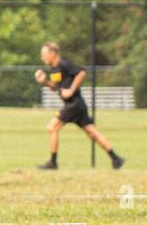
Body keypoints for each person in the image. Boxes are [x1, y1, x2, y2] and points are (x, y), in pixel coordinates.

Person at [34, 41, 125, 170]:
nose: (42, 57)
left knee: (52, 127)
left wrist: (71, 90)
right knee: (92, 132)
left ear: (53, 53)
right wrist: (44, 82)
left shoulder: (63, 64)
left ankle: (53, 163)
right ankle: (116, 159)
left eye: (44, 54)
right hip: (77, 105)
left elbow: (81, 72)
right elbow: (56, 87)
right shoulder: (55, 69)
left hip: (73, 104)